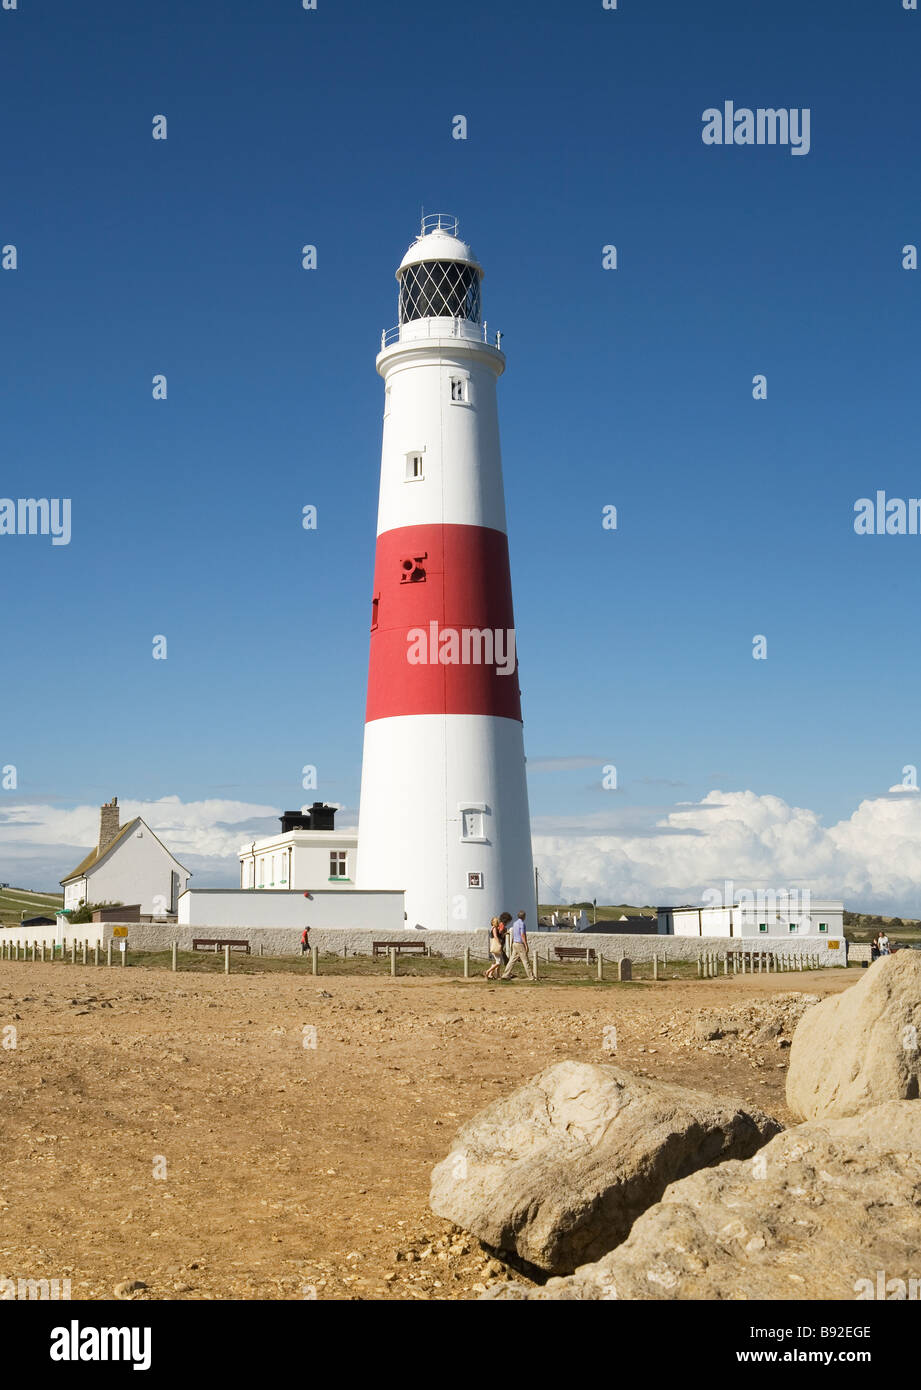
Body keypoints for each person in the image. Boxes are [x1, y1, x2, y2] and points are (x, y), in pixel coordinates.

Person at [501, 910, 533, 981]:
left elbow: (513, 933)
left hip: (514, 943)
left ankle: (505, 975)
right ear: (524, 916)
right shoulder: (522, 924)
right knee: (525, 960)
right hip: (519, 944)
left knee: (512, 960)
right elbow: (522, 935)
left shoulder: (514, 923)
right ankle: (531, 977)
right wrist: (526, 945)